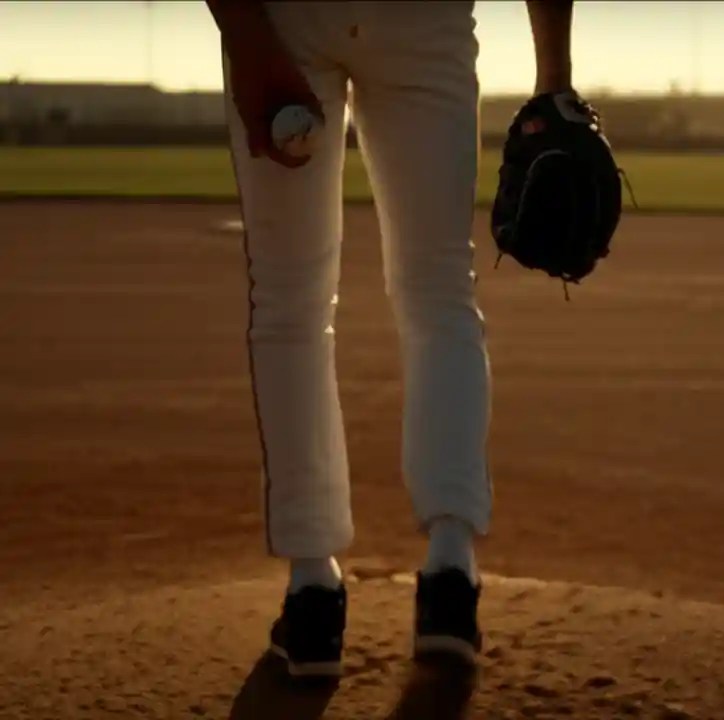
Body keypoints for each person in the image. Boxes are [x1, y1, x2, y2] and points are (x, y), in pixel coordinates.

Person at [205, 0, 575, 678]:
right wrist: (555, 76)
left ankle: (312, 592)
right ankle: (450, 577)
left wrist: (248, 40)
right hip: (421, 21)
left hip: (289, 18)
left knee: (291, 304)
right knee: (440, 290)